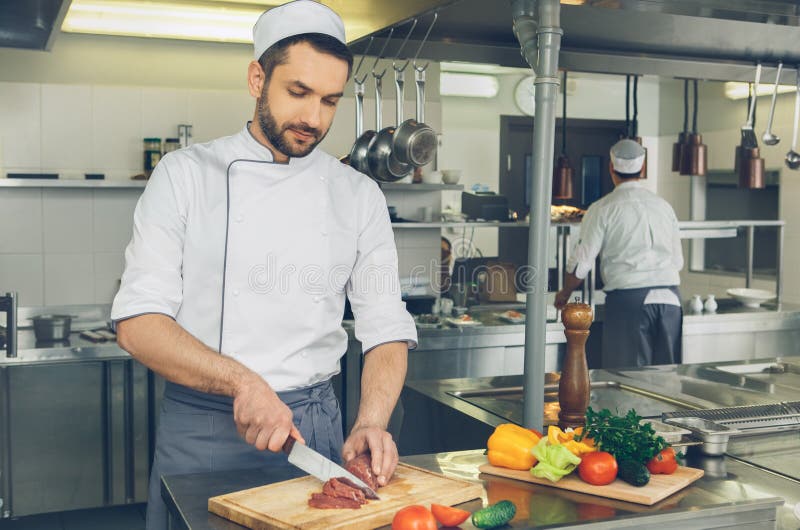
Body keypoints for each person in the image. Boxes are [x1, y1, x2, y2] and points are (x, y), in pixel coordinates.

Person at [111, 2, 417, 528]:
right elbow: (138, 325)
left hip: (313, 430)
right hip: (206, 426)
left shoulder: (358, 194)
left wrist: (372, 420)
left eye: (329, 100)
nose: (314, 119)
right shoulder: (185, 175)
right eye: (298, 92)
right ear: (257, 78)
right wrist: (243, 384)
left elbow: (386, 326)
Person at [554, 139, 683, 368]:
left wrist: (564, 294)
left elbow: (581, 263)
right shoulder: (664, 206)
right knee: (668, 377)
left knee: (627, 376)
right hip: (671, 299)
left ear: (611, 168)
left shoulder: (602, 208)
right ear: (643, 168)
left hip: (629, 301)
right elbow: (678, 260)